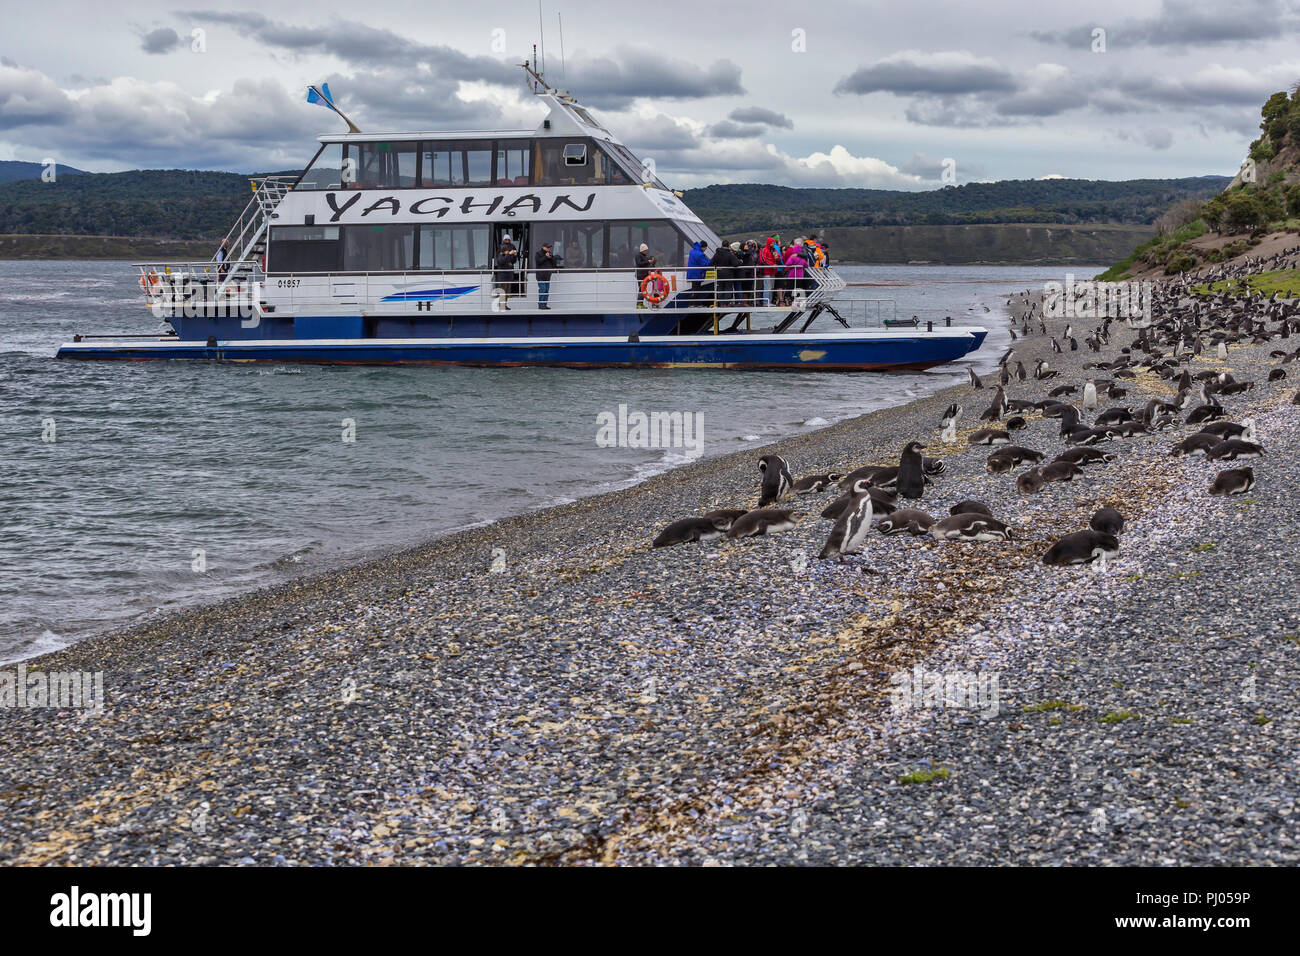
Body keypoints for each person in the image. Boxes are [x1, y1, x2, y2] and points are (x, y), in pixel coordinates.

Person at [710, 240, 740, 307]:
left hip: (719, 273)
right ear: (728, 246)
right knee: (728, 288)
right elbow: (735, 264)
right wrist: (740, 261)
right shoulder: (730, 254)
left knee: (720, 288)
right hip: (728, 274)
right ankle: (726, 304)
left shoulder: (717, 254)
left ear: (722, 245)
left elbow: (711, 263)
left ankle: (721, 304)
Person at [494, 236, 518, 311]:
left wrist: (514, 255)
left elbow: (511, 261)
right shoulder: (500, 256)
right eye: (507, 251)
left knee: (506, 291)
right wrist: (509, 254)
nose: (508, 251)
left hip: (507, 276)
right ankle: (501, 305)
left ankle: (504, 305)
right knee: (502, 291)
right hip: (503, 277)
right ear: (504, 251)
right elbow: (503, 262)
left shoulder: (505, 255)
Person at [534, 242, 557, 310]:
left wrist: (551, 258)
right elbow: (538, 262)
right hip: (540, 275)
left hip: (547, 275)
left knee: (546, 290)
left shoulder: (550, 254)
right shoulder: (538, 253)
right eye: (547, 247)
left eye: (549, 247)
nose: (548, 248)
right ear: (543, 247)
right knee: (543, 289)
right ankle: (541, 305)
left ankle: (544, 304)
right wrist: (545, 257)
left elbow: (554, 264)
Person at [759, 236, 781, 306]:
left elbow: (778, 259)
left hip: (773, 271)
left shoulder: (774, 250)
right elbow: (763, 260)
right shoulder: (764, 250)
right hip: (766, 272)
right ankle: (766, 302)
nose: (772, 244)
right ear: (768, 243)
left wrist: (777, 259)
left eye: (773, 243)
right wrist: (772, 265)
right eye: (771, 243)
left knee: (771, 287)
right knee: (767, 287)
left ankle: (769, 301)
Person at [635, 242, 655, 308]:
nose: (646, 251)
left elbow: (644, 264)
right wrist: (648, 261)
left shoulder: (644, 256)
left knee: (643, 289)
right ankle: (639, 304)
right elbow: (639, 263)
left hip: (644, 274)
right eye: (645, 250)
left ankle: (640, 304)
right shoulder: (638, 255)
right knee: (641, 289)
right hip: (640, 275)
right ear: (642, 250)